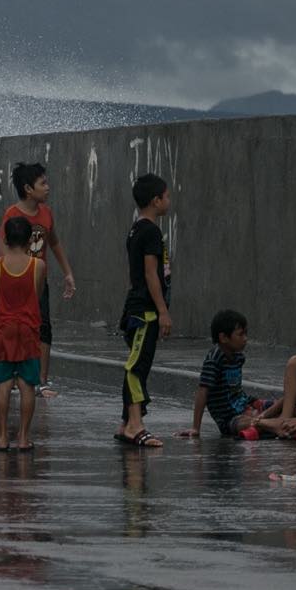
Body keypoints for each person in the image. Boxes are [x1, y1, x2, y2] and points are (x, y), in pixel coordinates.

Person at [2, 162, 78, 395]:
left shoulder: (46, 214)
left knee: (43, 326)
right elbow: (4, 249)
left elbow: (53, 242)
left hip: (38, 281)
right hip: (18, 282)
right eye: (42, 183)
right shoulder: (12, 214)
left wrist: (68, 272)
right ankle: (15, 376)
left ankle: (40, 380)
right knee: (18, 329)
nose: (48, 187)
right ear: (27, 188)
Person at [118, 172, 172, 448]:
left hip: (137, 307)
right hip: (145, 312)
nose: (168, 201)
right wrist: (162, 310)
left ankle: (126, 421)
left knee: (138, 363)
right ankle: (136, 426)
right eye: (166, 196)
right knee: (136, 367)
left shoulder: (136, 228)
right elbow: (151, 274)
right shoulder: (150, 231)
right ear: (155, 200)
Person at [0, 214, 46, 452]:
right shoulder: (38, 266)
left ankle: (3, 437)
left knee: (3, 383)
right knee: (27, 385)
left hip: (3, 328)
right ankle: (23, 437)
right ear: (29, 239)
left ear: (5, 238)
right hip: (28, 328)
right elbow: (38, 293)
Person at [184, 309, 267, 439]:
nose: (246, 339)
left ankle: (272, 423)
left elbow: (236, 391)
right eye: (241, 335)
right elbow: (202, 392)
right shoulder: (214, 359)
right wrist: (196, 428)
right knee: (248, 423)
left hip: (245, 406)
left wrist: (252, 405)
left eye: (246, 334)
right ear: (223, 338)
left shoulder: (238, 357)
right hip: (230, 420)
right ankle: (276, 426)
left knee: (290, 407)